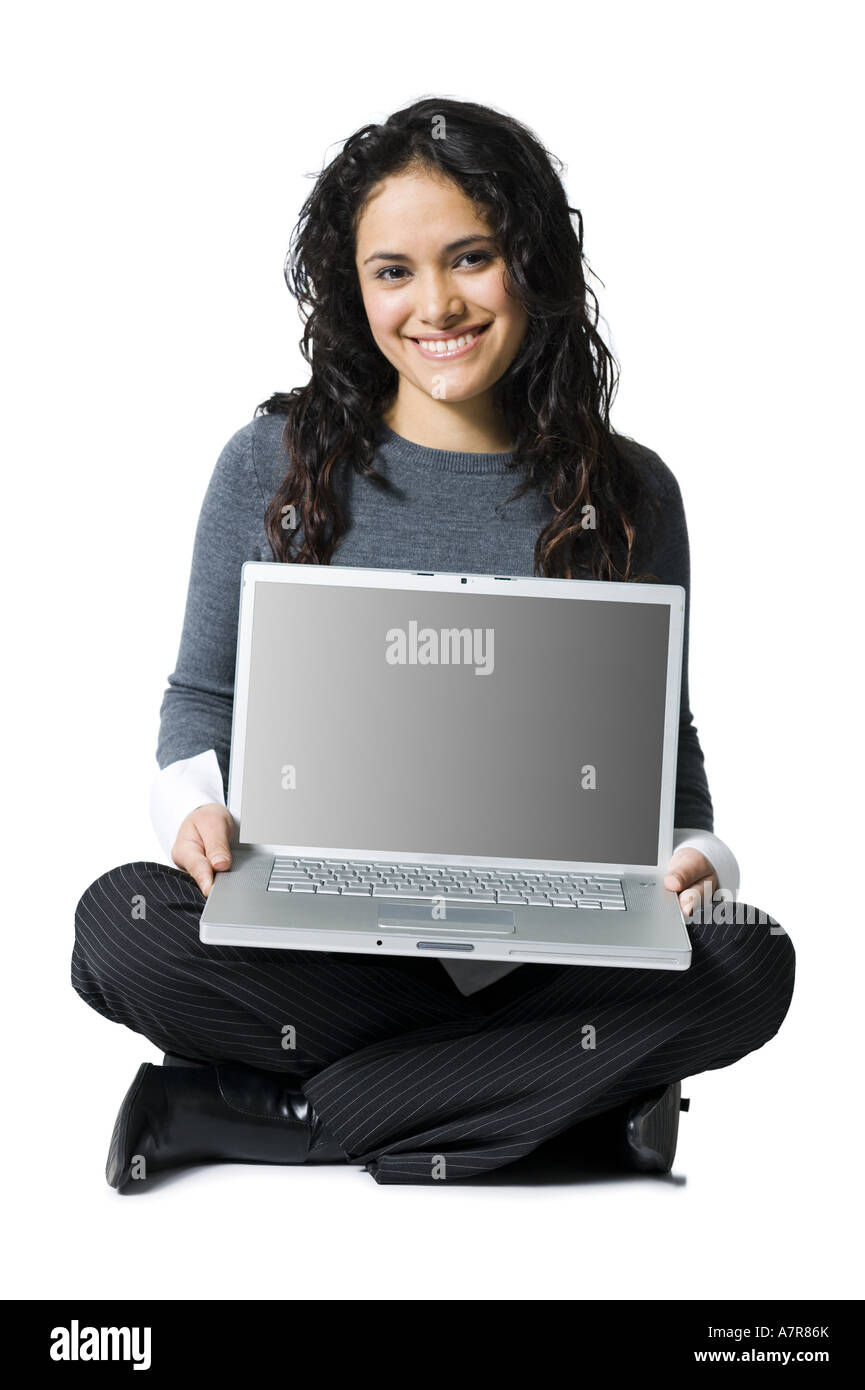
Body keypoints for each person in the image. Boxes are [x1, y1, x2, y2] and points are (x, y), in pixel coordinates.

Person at [72, 97, 795, 1190]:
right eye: (394, 271)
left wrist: (698, 858)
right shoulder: (266, 464)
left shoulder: (632, 491)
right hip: (322, 934)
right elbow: (197, 701)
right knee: (119, 919)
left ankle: (278, 1110)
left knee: (751, 956)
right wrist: (197, 815)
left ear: (530, 265)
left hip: (541, 950)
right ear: (351, 287)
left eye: (472, 258)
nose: (437, 305)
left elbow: (668, 749)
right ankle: (559, 1110)